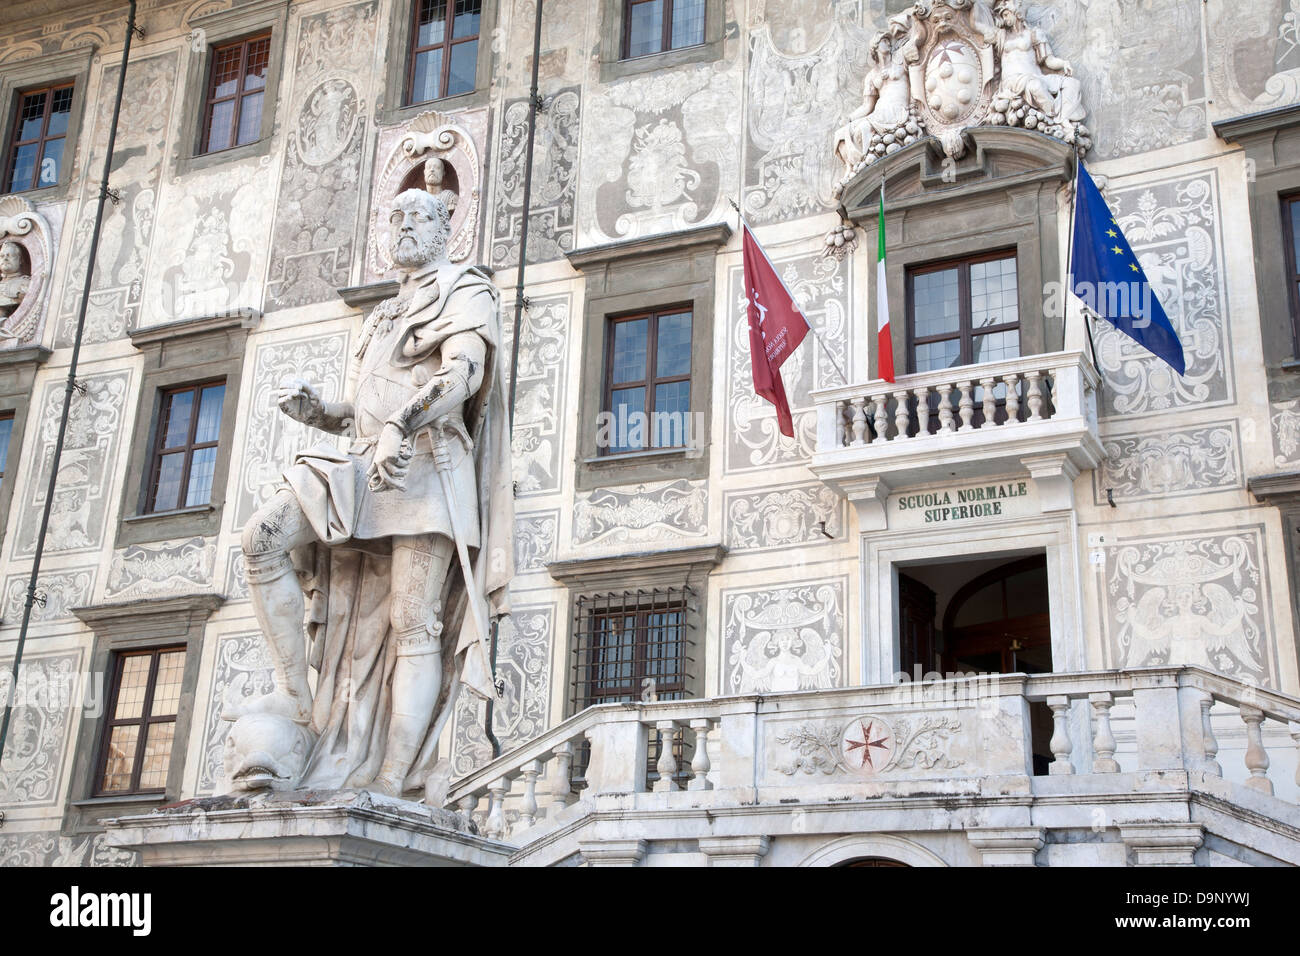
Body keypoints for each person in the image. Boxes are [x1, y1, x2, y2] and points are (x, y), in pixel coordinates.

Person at [233, 187, 512, 797]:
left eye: (419, 216)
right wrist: (320, 411)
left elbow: (463, 375)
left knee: (416, 624)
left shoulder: (466, 289)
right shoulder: (383, 313)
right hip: (364, 462)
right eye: (397, 215)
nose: (404, 225)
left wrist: (401, 424)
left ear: (446, 228)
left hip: (429, 466)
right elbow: (359, 409)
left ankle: (392, 778)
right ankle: (297, 698)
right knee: (262, 540)